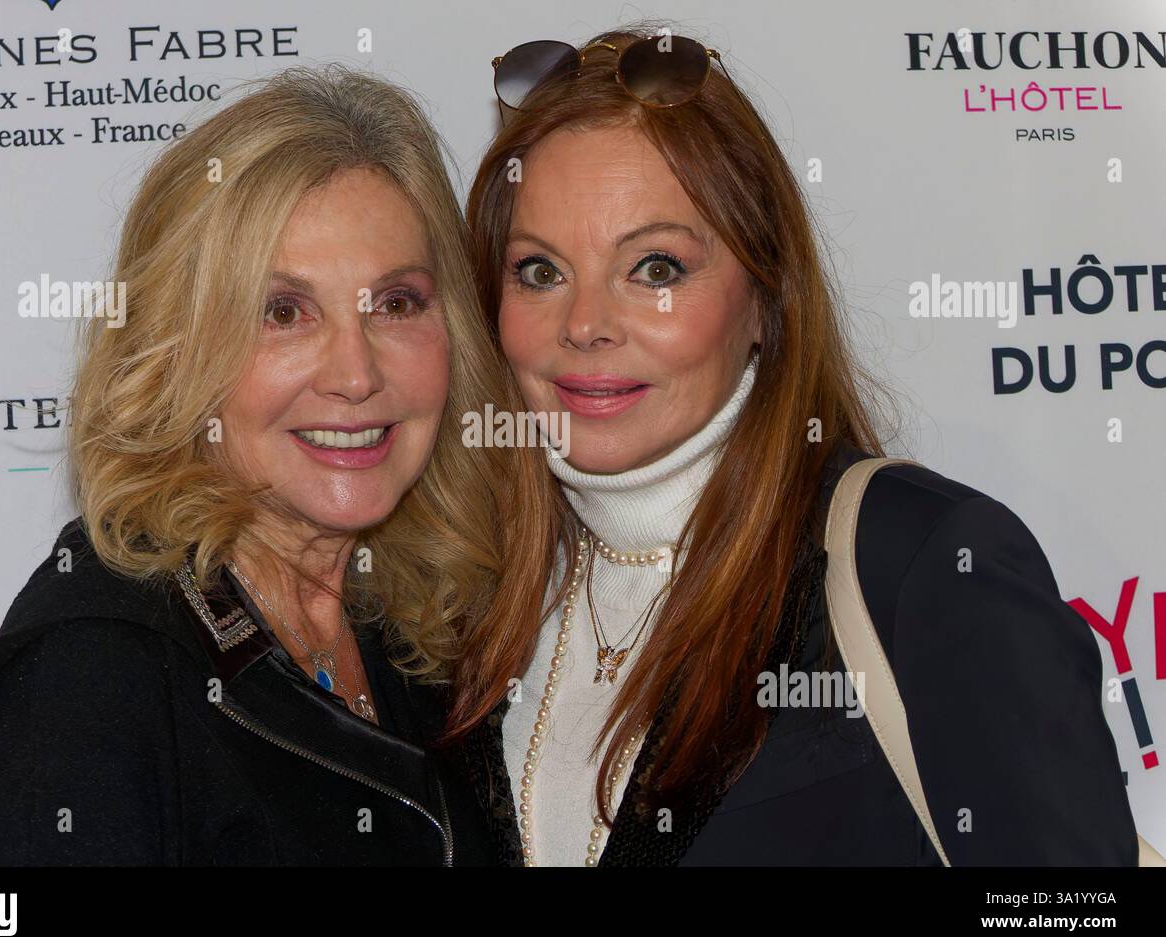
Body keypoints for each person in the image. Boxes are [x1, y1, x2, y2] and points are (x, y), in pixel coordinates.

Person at [444, 26, 1141, 866]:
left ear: (765, 296)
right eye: (540, 271)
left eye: (656, 269)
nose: (585, 325)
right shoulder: (471, 608)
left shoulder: (921, 564)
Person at [0, 65, 511, 865]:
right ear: (176, 352)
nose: (357, 374)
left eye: (397, 304)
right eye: (284, 313)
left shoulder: (419, 633)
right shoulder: (82, 684)